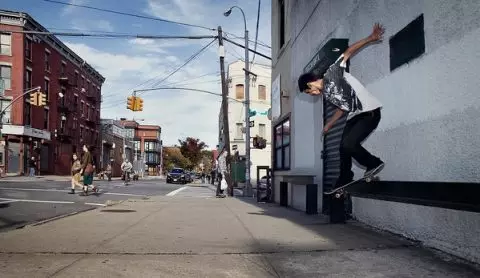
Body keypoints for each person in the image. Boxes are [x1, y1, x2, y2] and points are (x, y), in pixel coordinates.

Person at [297, 23, 386, 191]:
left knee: (349, 145)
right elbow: (343, 109)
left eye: (309, 92)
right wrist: (328, 125)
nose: (312, 95)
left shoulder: (332, 73)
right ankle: (345, 177)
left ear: (310, 84)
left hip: (370, 112)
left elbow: (349, 51)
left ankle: (374, 163)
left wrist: (370, 38)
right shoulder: (328, 94)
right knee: (342, 147)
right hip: (357, 115)